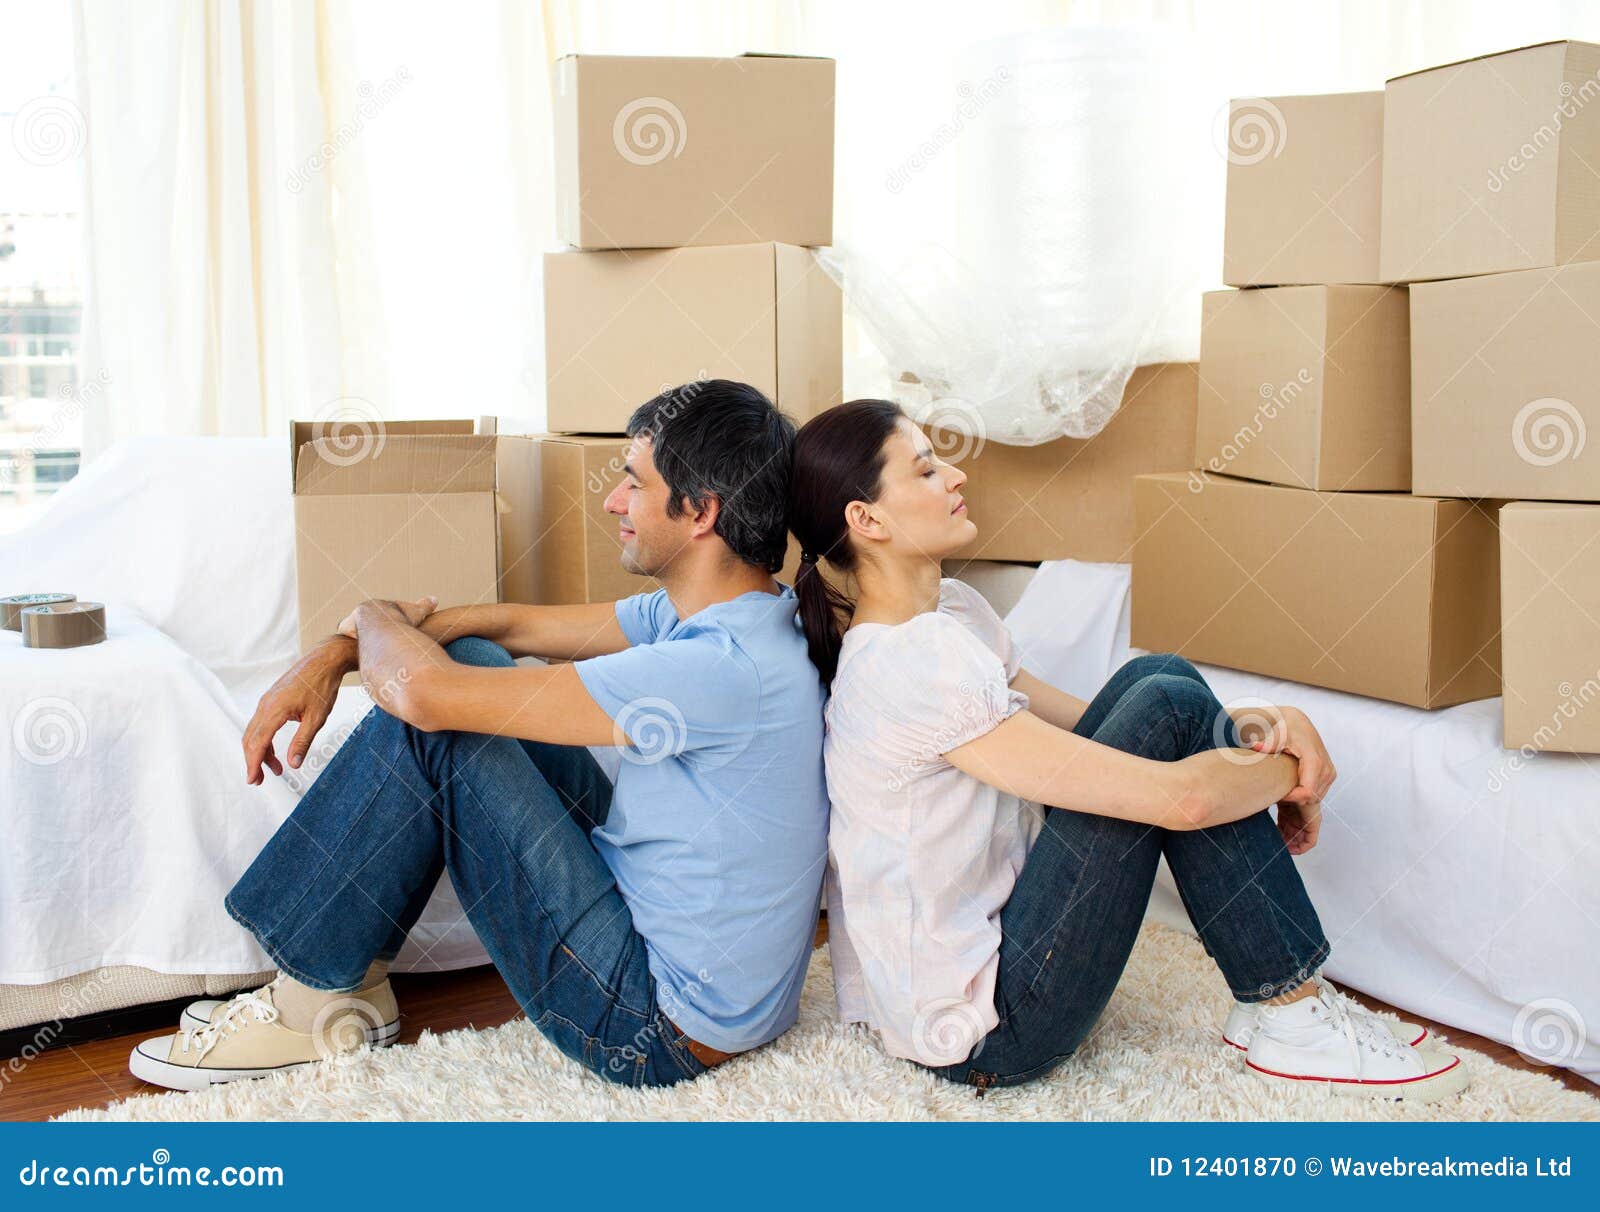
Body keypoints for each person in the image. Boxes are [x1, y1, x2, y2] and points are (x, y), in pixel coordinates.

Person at [129, 380, 828, 1091]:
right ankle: (346, 982)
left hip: (648, 1026)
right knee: (472, 660)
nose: (613, 501)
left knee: (440, 725)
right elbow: (512, 625)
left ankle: (307, 1005)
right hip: (668, 948)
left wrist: (368, 616)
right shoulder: (737, 615)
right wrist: (336, 652)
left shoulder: (715, 669)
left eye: (634, 483)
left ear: (701, 511)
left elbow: (423, 697)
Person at [785, 399, 1466, 1101]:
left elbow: (1099, 729)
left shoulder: (952, 611)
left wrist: (1261, 728)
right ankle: (1293, 1013)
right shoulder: (907, 665)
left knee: (1158, 680)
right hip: (988, 1032)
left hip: (1006, 936)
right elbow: (1184, 800)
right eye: (927, 470)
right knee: (1168, 704)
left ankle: (1278, 1003)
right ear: (867, 520)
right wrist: (1292, 768)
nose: (957, 476)